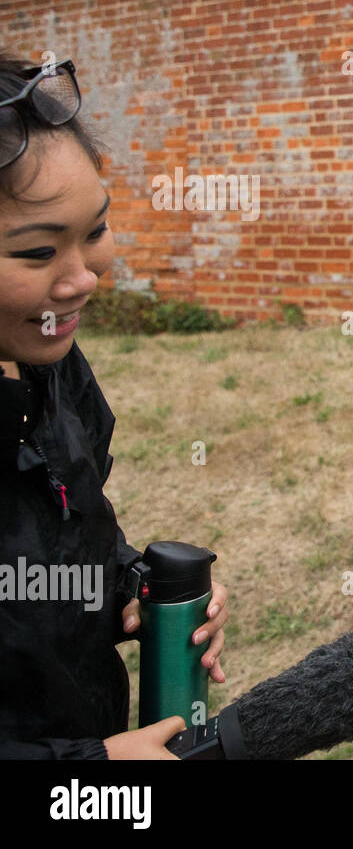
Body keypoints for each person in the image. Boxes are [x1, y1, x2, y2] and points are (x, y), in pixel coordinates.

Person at [0, 53, 230, 759]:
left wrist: (142, 592)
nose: (82, 279)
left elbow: (72, 546)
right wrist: (94, 770)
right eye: (39, 252)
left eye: (94, 231)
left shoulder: (55, 371)